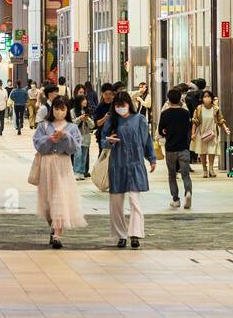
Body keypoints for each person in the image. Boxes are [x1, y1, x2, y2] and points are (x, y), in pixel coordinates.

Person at [99, 90, 156, 248]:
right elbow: (102, 140)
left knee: (134, 200)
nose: (120, 108)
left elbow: (147, 140)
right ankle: (120, 235)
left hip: (135, 164)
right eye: (117, 106)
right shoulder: (112, 120)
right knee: (116, 203)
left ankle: (135, 234)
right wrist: (108, 141)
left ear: (129, 104)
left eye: (122, 105)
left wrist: (151, 158)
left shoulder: (140, 120)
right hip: (117, 165)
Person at [32, 96, 86, 248]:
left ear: (67, 110)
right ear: (52, 109)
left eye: (63, 109)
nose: (59, 112)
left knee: (59, 199)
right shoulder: (44, 125)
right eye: (56, 108)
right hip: (46, 164)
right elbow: (37, 144)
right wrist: (49, 139)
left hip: (63, 165)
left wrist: (65, 136)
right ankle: (52, 226)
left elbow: (75, 148)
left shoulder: (72, 127)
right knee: (48, 202)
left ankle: (57, 235)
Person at [159, 88, 194, 210]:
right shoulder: (185, 113)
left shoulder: (165, 114)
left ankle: (175, 199)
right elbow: (188, 128)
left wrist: (165, 131)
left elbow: (160, 131)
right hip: (183, 147)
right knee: (185, 174)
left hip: (170, 148)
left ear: (168, 99)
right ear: (180, 99)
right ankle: (188, 192)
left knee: (172, 174)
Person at [191, 88, 231, 179]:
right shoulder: (199, 109)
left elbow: (221, 120)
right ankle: (204, 169)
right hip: (201, 133)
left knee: (211, 151)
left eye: (208, 96)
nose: (207, 98)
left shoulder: (216, 109)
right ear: (202, 98)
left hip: (212, 133)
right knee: (202, 152)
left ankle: (211, 169)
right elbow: (195, 122)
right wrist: (193, 134)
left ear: (212, 98)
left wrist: (226, 129)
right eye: (205, 96)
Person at [70, 93, 95, 179]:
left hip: (86, 136)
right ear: (78, 101)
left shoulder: (87, 111)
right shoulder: (72, 111)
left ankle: (82, 171)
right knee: (78, 154)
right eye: (83, 100)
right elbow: (72, 123)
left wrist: (87, 119)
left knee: (84, 155)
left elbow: (92, 125)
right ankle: (76, 171)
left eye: (86, 99)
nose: (86, 101)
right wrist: (80, 118)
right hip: (76, 136)